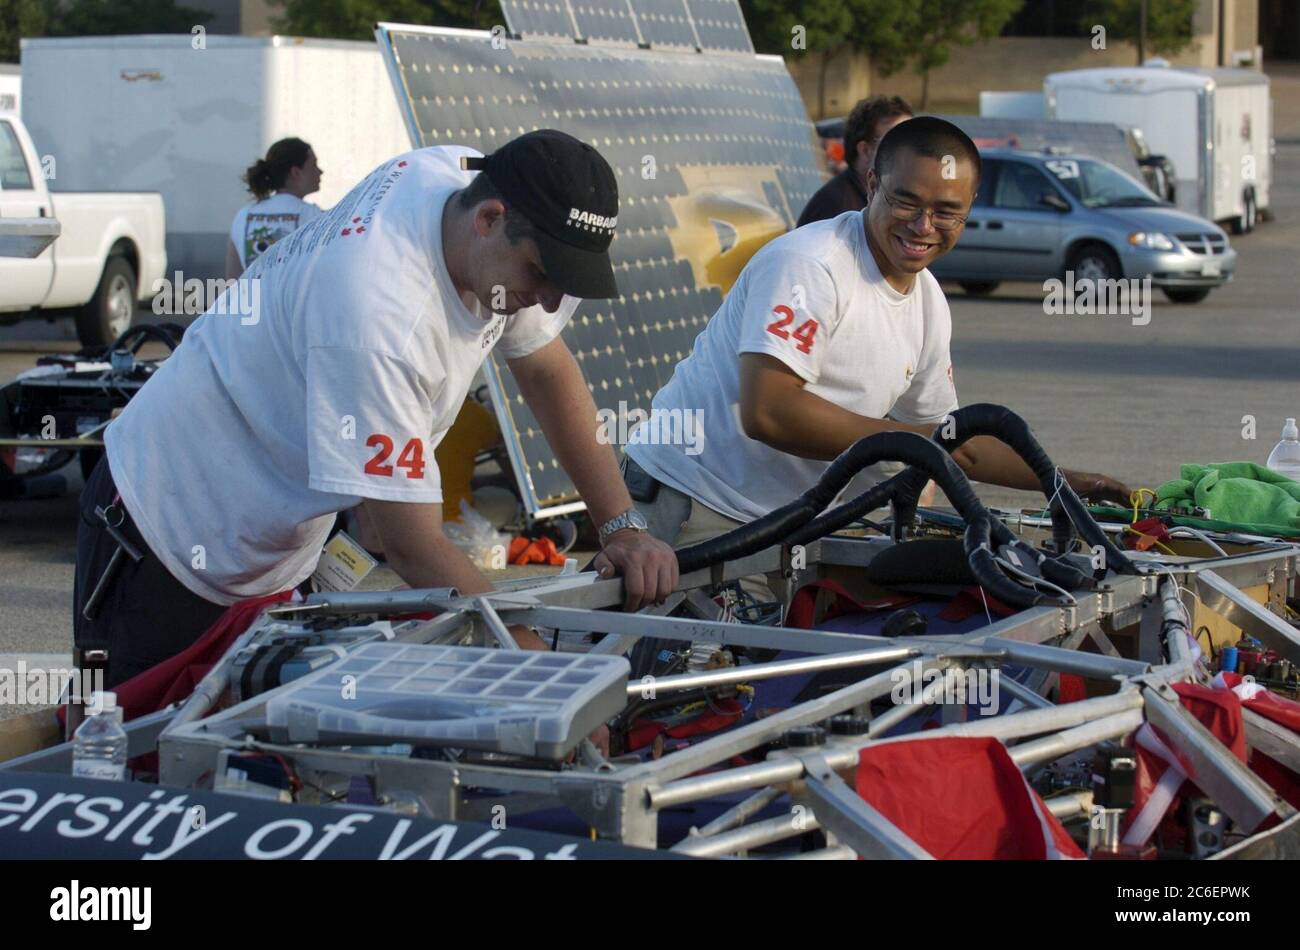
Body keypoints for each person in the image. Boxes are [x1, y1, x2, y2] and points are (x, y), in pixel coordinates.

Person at [76, 129, 678, 688]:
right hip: (167, 531)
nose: (548, 299)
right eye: (542, 274)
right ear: (490, 221)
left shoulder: (464, 181)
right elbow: (410, 542)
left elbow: (546, 367)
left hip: (273, 538)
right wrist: (531, 663)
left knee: (255, 752)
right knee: (140, 758)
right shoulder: (377, 314)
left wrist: (621, 527)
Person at [624, 117, 1129, 571]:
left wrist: (1063, 482)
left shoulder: (928, 301)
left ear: (969, 209)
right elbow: (769, 412)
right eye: (905, 201)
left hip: (782, 527)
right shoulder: (811, 265)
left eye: (946, 211)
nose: (923, 226)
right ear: (871, 184)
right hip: (690, 505)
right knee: (643, 668)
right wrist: (910, 445)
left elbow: (954, 444)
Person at [797, 95, 913, 228]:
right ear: (865, 151)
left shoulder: (882, 200)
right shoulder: (838, 209)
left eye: (914, 140)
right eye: (896, 142)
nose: (911, 152)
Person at [225, 138, 325, 279]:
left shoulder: (243, 216)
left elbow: (232, 279)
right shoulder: (315, 216)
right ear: (296, 172)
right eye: (314, 165)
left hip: (251, 299)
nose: (321, 171)